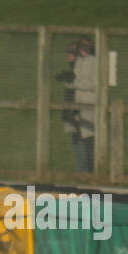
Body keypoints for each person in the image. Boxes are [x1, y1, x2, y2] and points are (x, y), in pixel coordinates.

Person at [55, 40, 86, 170]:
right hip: (71, 110)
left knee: (82, 142)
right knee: (77, 141)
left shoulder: (82, 67)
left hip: (79, 110)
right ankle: (83, 171)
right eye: (68, 51)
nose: (69, 54)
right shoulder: (73, 68)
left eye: (72, 52)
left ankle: (85, 172)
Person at [71, 35, 97, 172]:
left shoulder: (95, 61)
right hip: (79, 103)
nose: (84, 49)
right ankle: (84, 170)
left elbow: (94, 83)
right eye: (82, 46)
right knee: (80, 138)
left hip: (89, 104)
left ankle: (93, 170)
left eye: (87, 46)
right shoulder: (79, 61)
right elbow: (74, 79)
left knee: (90, 139)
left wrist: (77, 84)